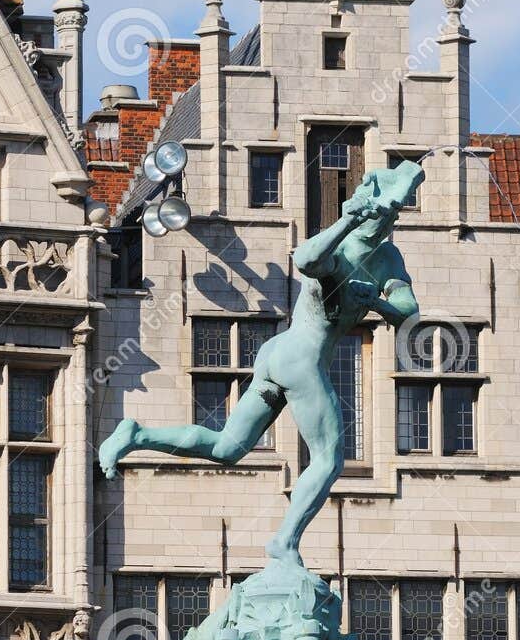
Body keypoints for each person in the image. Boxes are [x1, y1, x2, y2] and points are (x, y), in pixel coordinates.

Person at [98, 159, 423, 562]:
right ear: (367, 208)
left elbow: (408, 310)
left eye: (393, 212)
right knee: (328, 459)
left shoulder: (388, 258)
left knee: (227, 448)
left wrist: (375, 300)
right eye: (383, 210)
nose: (386, 220)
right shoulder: (341, 246)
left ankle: (137, 435)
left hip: (278, 355)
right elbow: (307, 260)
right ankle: (284, 541)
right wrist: (345, 224)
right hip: (300, 358)